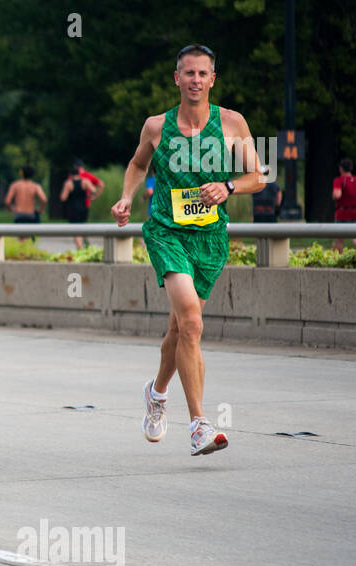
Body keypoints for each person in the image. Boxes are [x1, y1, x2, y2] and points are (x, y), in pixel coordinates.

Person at [111, 43, 268, 456]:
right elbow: (138, 164)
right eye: (188, 73)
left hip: (210, 238)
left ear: (212, 79)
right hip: (166, 231)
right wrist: (127, 197)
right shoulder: (156, 126)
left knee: (180, 328)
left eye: (203, 73)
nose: (195, 80)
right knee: (193, 324)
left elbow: (259, 175)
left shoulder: (232, 124)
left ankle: (156, 392)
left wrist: (229, 186)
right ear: (176, 78)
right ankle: (199, 424)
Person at [61, 160, 103, 248]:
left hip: (73, 208)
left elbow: (63, 198)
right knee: (83, 226)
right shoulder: (86, 180)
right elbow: (95, 189)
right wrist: (92, 197)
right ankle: (85, 243)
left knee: (75, 230)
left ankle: (80, 248)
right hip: (84, 207)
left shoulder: (69, 182)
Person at [332, 158, 356, 252]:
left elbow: (337, 194)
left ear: (341, 168)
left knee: (339, 241)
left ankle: (339, 261)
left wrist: (334, 195)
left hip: (342, 213)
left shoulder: (339, 180)